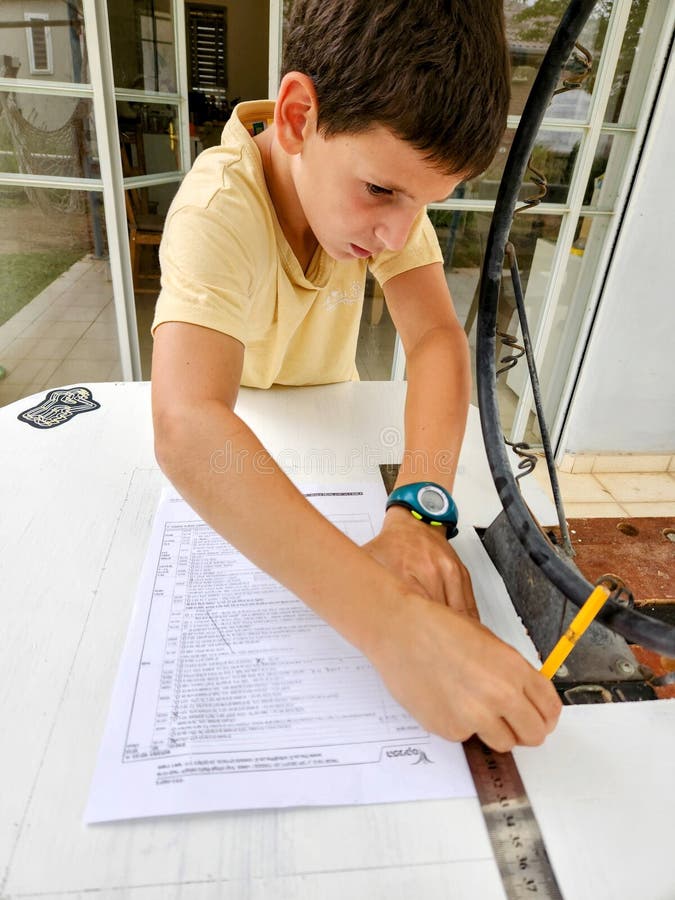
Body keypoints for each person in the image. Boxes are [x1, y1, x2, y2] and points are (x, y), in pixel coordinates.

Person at [151, 0, 561, 752]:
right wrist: (392, 623)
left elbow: (435, 338)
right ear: (299, 116)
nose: (397, 235)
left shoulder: (382, 174)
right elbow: (188, 422)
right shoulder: (216, 209)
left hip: (334, 447)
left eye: (424, 205)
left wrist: (418, 507)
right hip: (239, 464)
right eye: (381, 192)